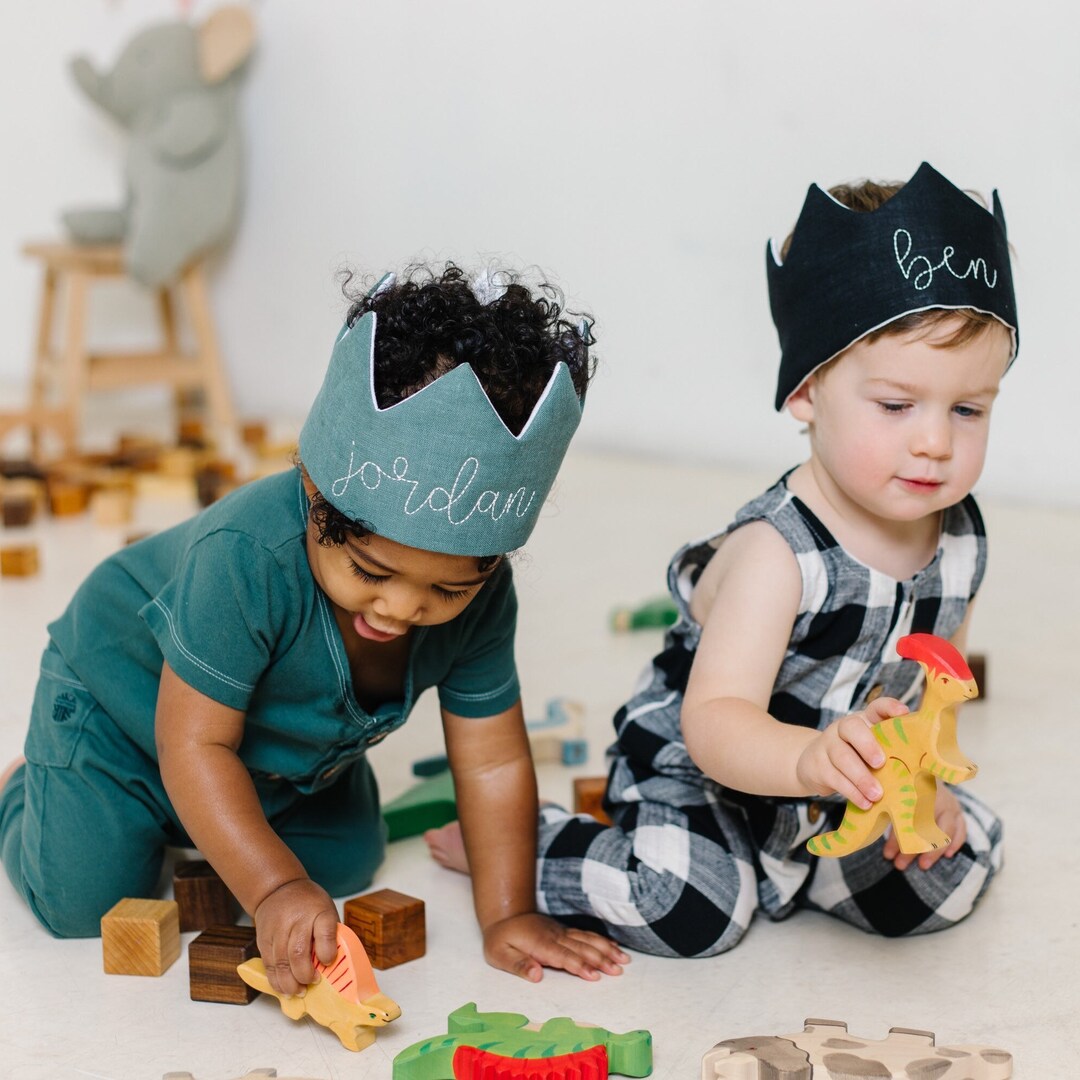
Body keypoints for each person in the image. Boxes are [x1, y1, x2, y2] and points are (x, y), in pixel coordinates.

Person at [428, 163, 1016, 957]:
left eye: (968, 409)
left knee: (945, 876)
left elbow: (929, 698)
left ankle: (807, 866)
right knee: (692, 912)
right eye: (896, 405)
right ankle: (531, 845)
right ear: (807, 390)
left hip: (840, 780)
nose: (935, 442)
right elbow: (715, 723)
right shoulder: (779, 551)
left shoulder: (962, 539)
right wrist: (807, 759)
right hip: (710, 772)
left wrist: (924, 787)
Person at [0, 263, 630, 989]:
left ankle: (201, 816)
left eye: (447, 589)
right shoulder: (245, 555)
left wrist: (509, 913)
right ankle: (29, 787)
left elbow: (492, 763)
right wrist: (271, 888)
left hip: (267, 761)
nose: (401, 609)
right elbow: (192, 742)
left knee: (344, 866)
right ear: (313, 489)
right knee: (84, 906)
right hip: (124, 719)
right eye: (370, 571)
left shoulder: (486, 597)